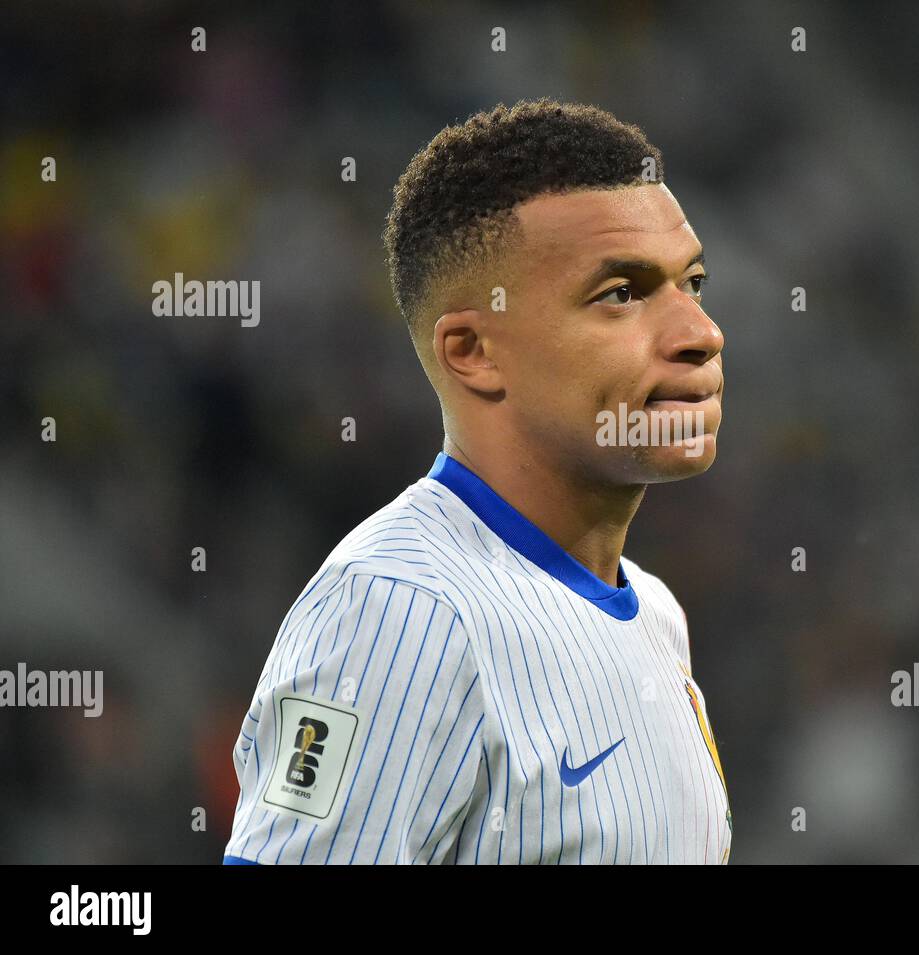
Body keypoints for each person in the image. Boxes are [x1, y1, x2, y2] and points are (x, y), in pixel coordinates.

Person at [222, 98, 730, 864]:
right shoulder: (400, 610)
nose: (699, 333)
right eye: (621, 293)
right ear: (473, 352)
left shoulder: (655, 613)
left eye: (691, 282)